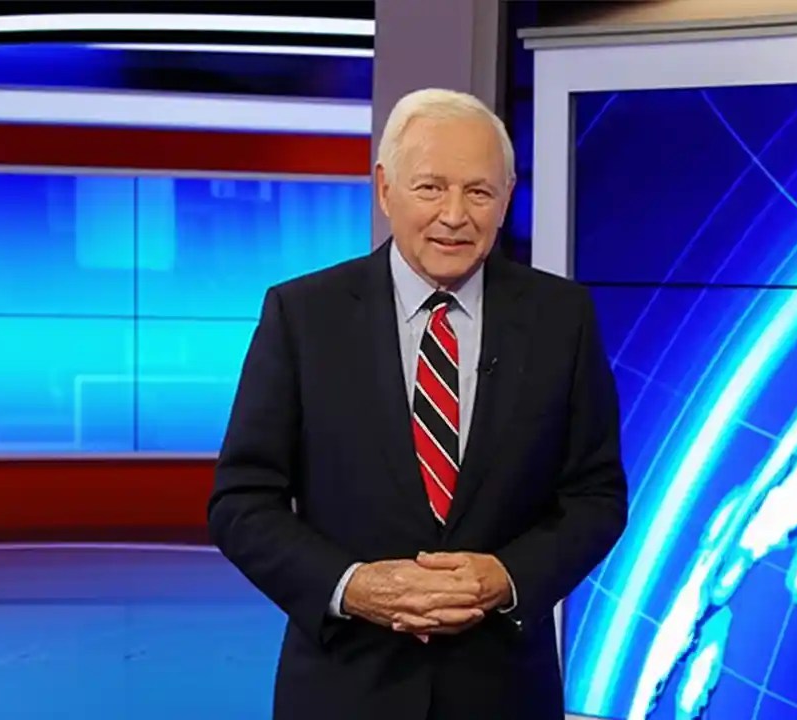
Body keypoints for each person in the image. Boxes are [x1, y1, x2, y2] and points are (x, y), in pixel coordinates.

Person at [207, 87, 628, 720]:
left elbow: (596, 497)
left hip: (503, 692)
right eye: (430, 188)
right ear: (385, 189)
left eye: (479, 192)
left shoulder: (561, 318)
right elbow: (241, 503)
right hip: (345, 689)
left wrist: (507, 577)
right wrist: (354, 587)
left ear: (507, 197)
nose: (454, 215)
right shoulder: (304, 316)